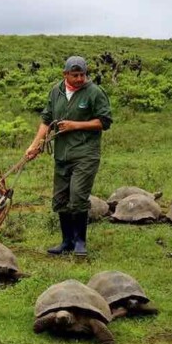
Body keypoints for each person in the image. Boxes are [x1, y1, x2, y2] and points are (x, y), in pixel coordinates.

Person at [24, 56, 113, 257]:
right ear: (65, 75)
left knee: (78, 195)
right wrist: (35, 144)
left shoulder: (94, 93)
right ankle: (66, 242)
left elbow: (105, 121)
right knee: (61, 198)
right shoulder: (56, 91)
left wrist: (76, 125)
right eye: (75, 75)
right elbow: (46, 120)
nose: (80, 78)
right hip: (62, 154)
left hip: (85, 153)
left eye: (83, 74)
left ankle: (80, 242)